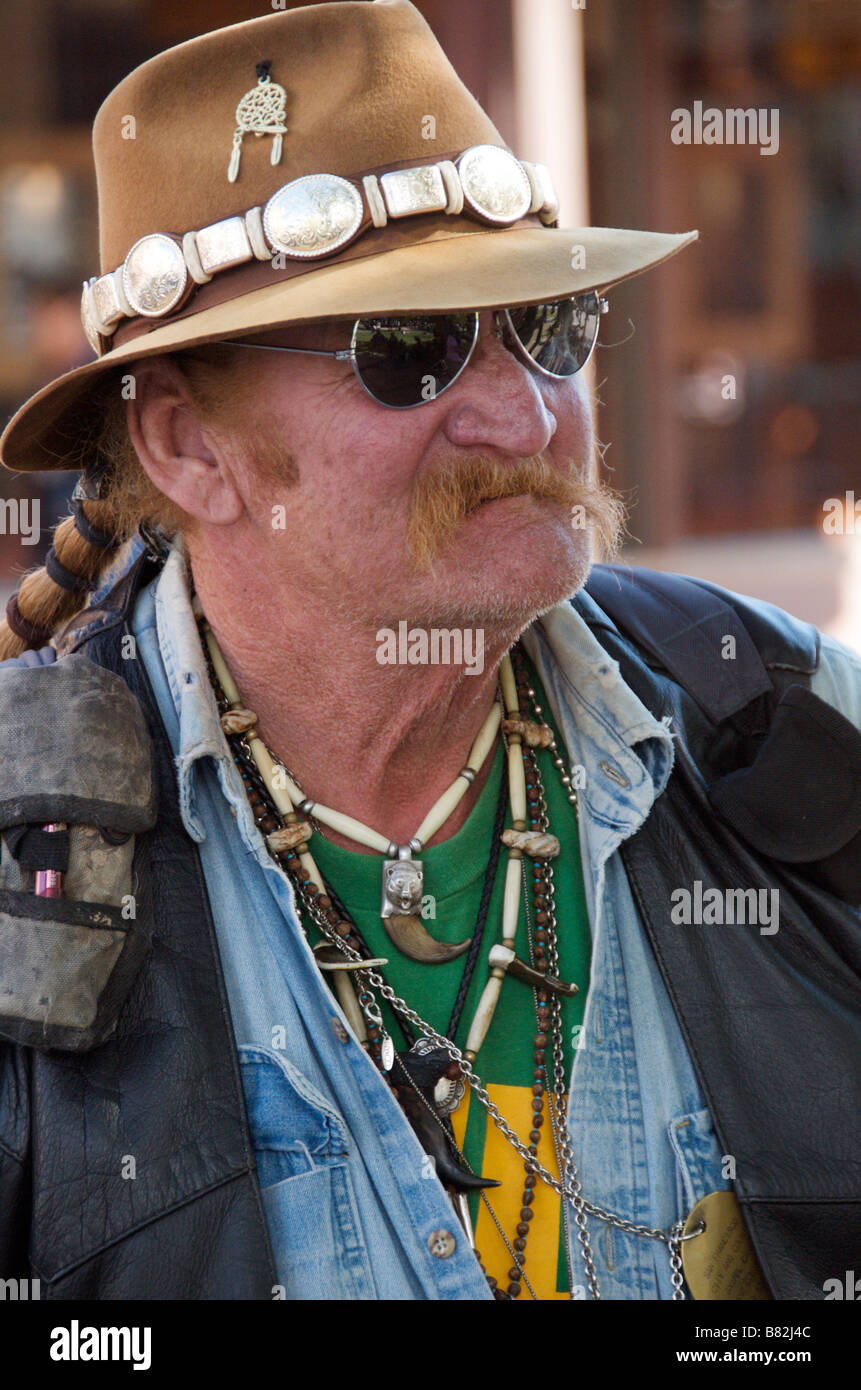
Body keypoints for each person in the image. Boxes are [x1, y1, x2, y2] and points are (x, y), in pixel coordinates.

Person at [0, 1, 858, 1302]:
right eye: (410, 353)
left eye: (549, 329)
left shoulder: (779, 717)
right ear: (189, 447)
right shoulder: (29, 854)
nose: (522, 413)